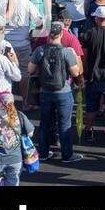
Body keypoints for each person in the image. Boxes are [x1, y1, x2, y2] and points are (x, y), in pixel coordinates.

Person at [29, 19, 83, 165]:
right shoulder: (66, 51)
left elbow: (30, 69)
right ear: (61, 34)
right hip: (63, 92)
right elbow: (75, 72)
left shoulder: (40, 50)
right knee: (64, 124)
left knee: (45, 123)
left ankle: (43, 153)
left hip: (45, 91)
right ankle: (67, 155)